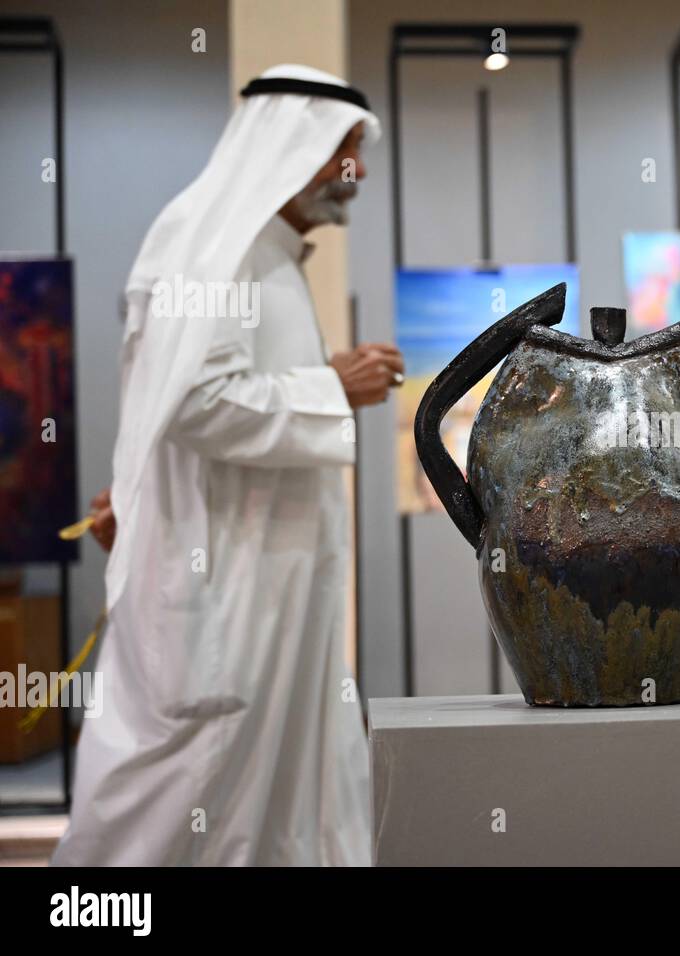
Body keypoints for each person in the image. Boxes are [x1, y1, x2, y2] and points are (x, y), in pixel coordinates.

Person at [52, 65, 402, 866]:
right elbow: (193, 400)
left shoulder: (267, 254)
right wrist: (331, 387)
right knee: (176, 807)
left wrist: (327, 382)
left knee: (276, 800)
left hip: (268, 591)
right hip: (221, 600)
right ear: (294, 145)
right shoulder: (210, 240)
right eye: (346, 152)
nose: (358, 175)